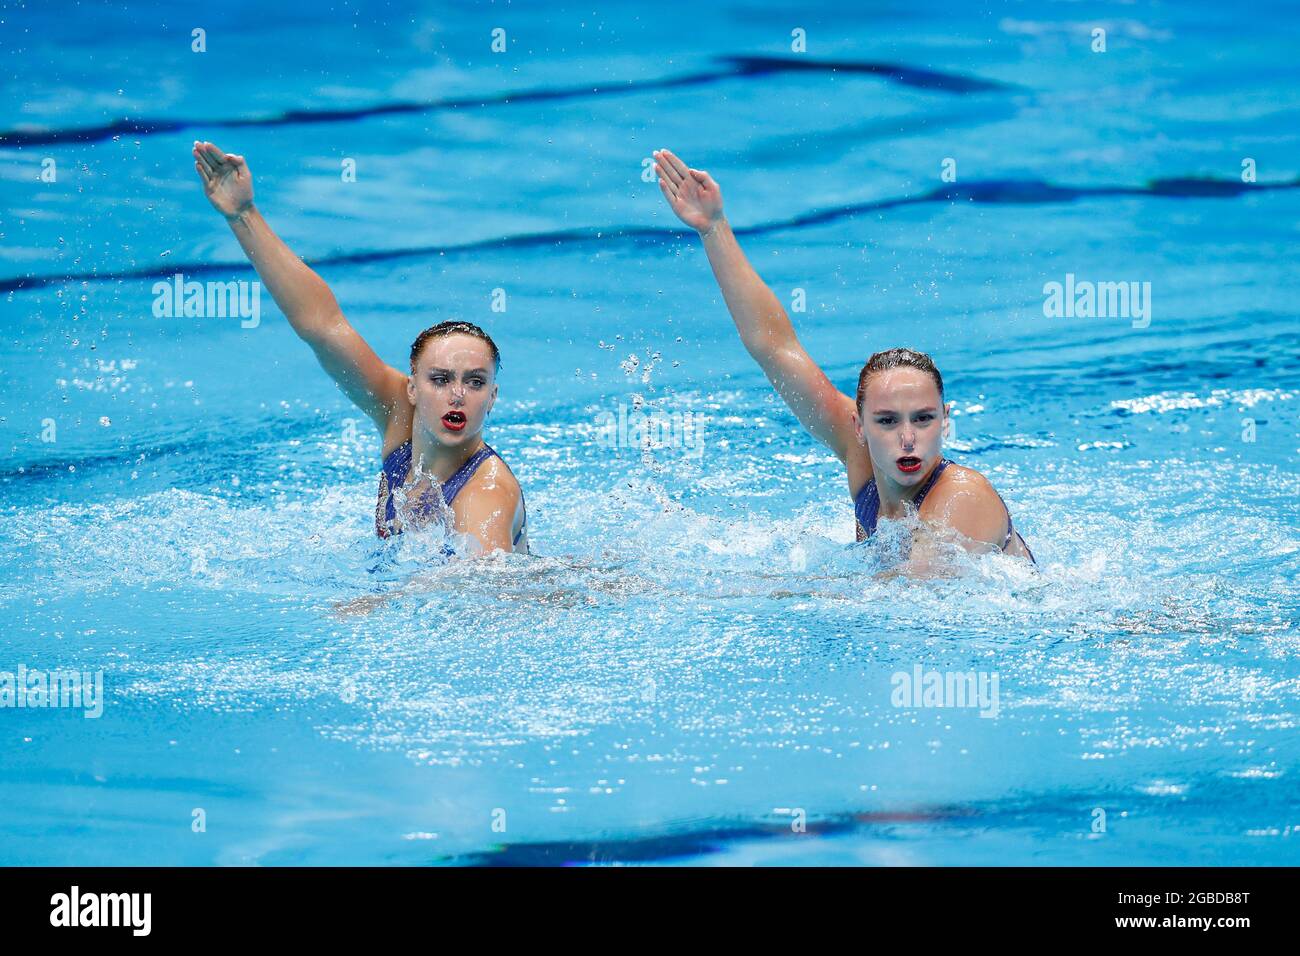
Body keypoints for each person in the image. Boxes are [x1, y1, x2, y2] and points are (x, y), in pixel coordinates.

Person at [652, 148, 1033, 569]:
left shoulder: (963, 496)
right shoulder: (865, 460)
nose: (908, 437)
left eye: (923, 419)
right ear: (859, 426)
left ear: (945, 419)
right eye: (887, 420)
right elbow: (774, 347)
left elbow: (909, 597)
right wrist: (714, 228)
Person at [193, 141, 527, 555]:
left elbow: (480, 594)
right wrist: (243, 215)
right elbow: (323, 326)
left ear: (493, 396)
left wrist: (377, 602)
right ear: (411, 387)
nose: (457, 394)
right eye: (440, 379)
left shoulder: (486, 493)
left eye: (475, 382)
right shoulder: (398, 415)